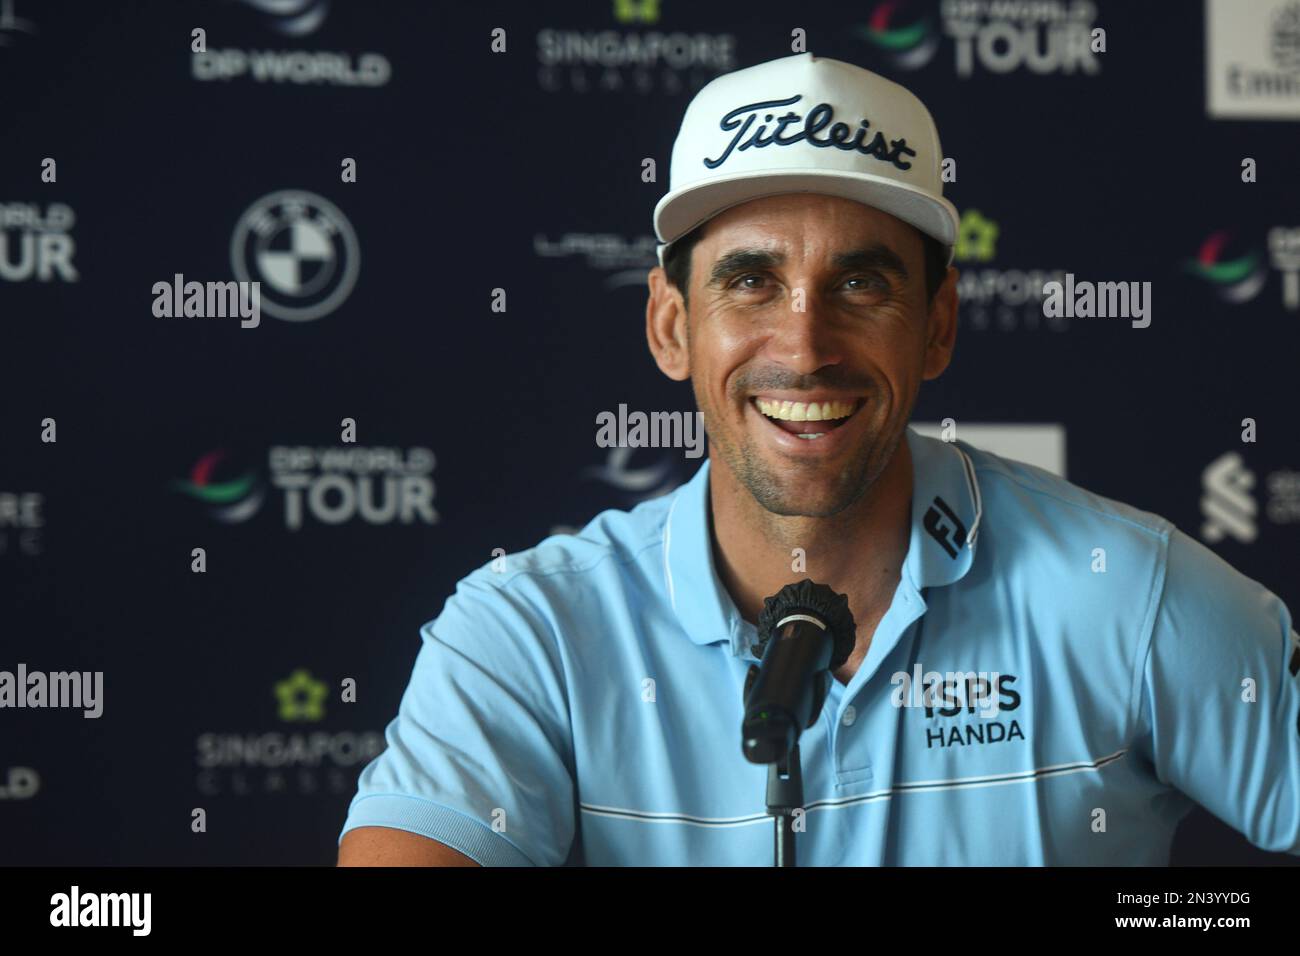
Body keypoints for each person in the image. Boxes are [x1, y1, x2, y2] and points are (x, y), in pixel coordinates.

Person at [337, 52, 1300, 866]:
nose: (805, 347)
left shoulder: (1125, 590)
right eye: (751, 281)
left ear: (937, 328)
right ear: (672, 328)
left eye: (863, 283)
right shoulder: (530, 630)